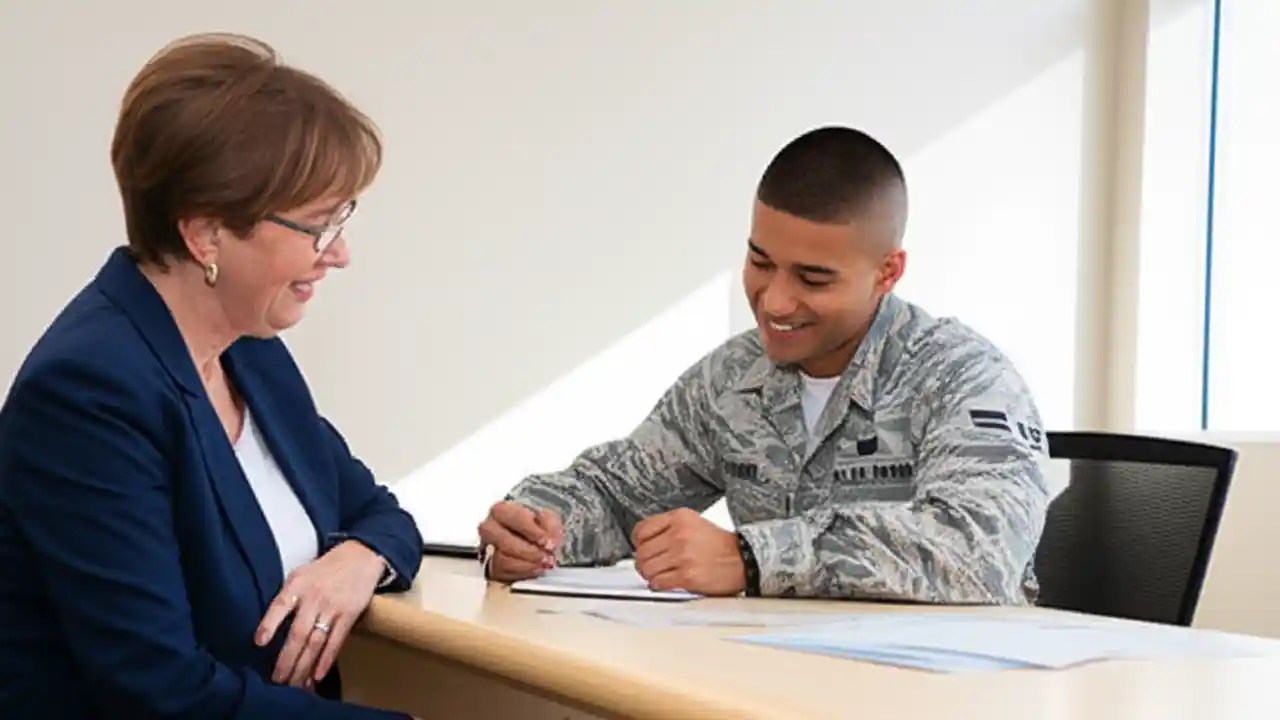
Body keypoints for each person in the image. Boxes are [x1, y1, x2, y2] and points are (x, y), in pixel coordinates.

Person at [0, 33, 423, 719]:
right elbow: (159, 690)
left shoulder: (248, 348)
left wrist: (359, 558)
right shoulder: (88, 391)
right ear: (205, 235)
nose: (339, 253)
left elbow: (382, 512)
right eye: (318, 226)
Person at [478, 126, 1060, 604]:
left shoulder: (961, 376)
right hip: (769, 676)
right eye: (761, 262)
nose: (775, 301)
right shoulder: (734, 378)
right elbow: (615, 492)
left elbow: (982, 550)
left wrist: (751, 557)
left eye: (813, 278)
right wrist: (535, 525)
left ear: (888, 272)